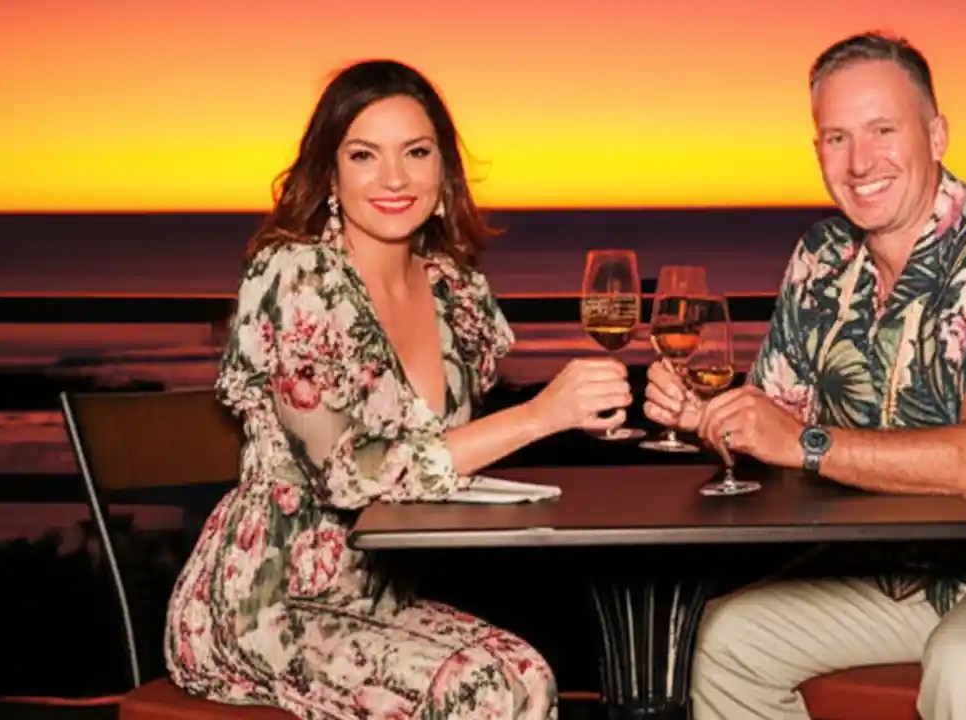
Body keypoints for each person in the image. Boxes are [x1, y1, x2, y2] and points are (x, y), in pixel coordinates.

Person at [644, 32, 966, 720]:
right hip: (915, 578)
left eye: (882, 130)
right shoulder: (820, 258)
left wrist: (804, 441)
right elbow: (771, 425)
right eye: (836, 138)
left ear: (936, 134)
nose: (860, 162)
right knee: (725, 641)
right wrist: (710, 419)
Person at [164, 59, 632, 719]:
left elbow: (440, 454)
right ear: (331, 173)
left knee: (530, 674)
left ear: (443, 171)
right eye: (364, 155)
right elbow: (348, 477)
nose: (394, 178)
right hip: (265, 608)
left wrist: (578, 414)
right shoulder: (295, 277)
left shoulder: (454, 287)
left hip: (383, 600)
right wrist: (539, 416)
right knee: (483, 690)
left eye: (416, 152)